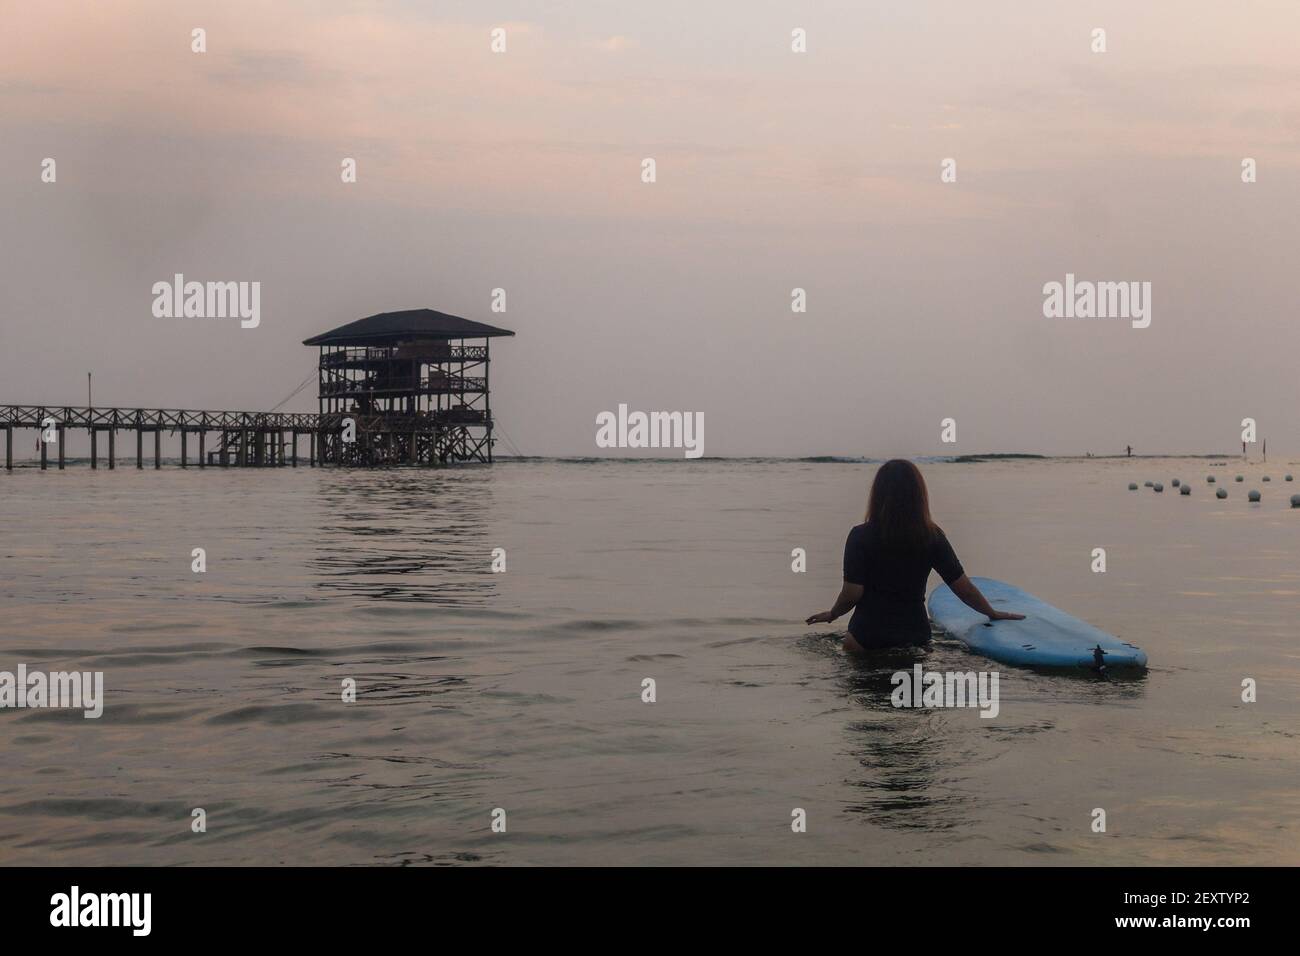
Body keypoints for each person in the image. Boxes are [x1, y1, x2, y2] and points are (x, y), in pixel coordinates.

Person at [806, 459, 1023, 652]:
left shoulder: (860, 536)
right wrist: (991, 612)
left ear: (877, 494)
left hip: (866, 637)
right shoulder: (932, 536)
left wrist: (834, 614)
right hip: (915, 637)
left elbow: (852, 593)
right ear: (919, 495)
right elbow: (963, 588)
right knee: (911, 695)